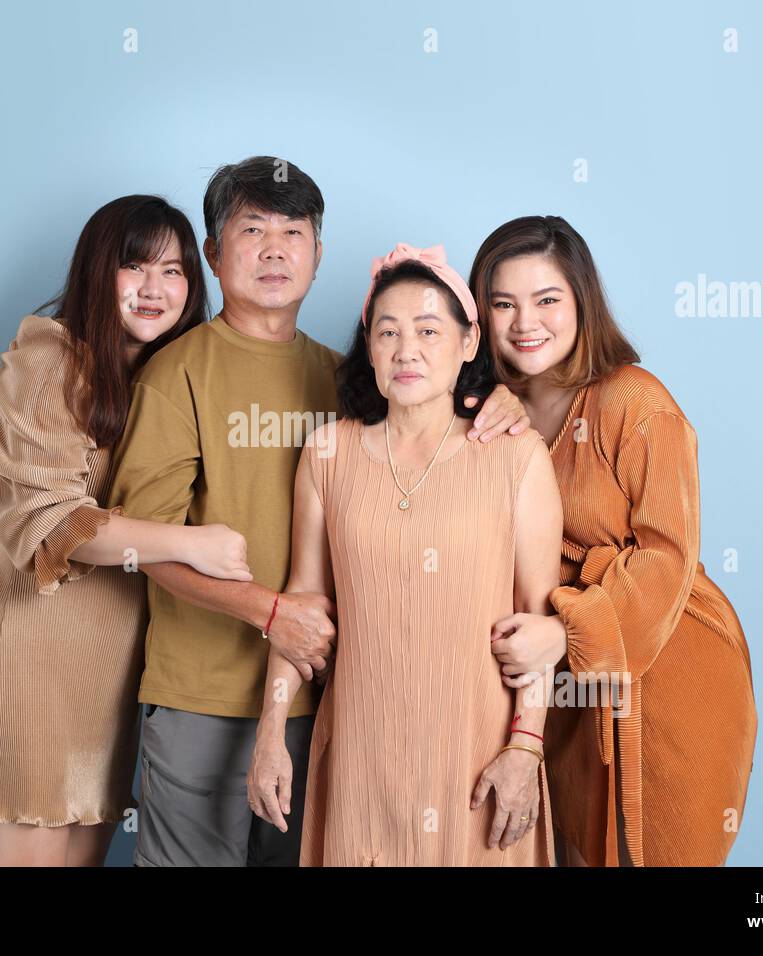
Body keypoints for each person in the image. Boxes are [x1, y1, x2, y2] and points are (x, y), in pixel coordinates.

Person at [106, 158, 531, 866]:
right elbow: (144, 548)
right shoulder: (177, 373)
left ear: (318, 254)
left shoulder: (349, 377)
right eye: (252, 230)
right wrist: (271, 613)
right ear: (214, 254)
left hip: (326, 702)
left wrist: (498, 400)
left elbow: (433, 444)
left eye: (293, 231)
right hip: (201, 695)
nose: (275, 249)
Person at [0, 195, 250, 866]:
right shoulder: (50, 358)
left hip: (110, 672)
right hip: (33, 657)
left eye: (173, 271)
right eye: (133, 266)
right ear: (95, 272)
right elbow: (55, 524)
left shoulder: (162, 378)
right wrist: (193, 544)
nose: (153, 288)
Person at [246, 244, 563, 866]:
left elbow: (537, 621)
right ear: (369, 345)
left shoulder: (517, 459)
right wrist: (271, 731)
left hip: (481, 758)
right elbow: (303, 604)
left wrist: (525, 746)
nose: (406, 350)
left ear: (469, 341)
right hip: (363, 758)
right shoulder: (327, 455)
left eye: (428, 329)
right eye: (387, 332)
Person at [474, 215, 758, 866]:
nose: (525, 322)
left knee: (654, 847)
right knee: (576, 846)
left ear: (582, 303)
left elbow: (668, 554)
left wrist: (568, 630)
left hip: (669, 662)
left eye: (547, 300)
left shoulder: (636, 401)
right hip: (568, 687)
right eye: (503, 303)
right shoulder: (490, 408)